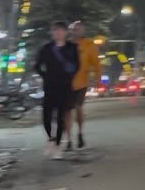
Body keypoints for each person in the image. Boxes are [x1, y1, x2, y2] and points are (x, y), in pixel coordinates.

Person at [35, 22, 79, 158]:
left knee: (60, 116)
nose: (58, 33)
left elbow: (77, 65)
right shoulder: (46, 48)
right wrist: (45, 76)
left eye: (61, 31)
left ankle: (58, 146)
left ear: (66, 33)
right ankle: (51, 139)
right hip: (49, 86)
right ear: (52, 33)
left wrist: (68, 77)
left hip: (65, 87)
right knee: (46, 117)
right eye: (55, 31)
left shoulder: (72, 48)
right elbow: (37, 65)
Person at [67, 20, 100, 151]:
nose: (77, 32)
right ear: (70, 31)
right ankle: (69, 140)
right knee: (66, 112)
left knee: (78, 107)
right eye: (74, 29)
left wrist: (97, 78)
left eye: (79, 29)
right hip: (66, 84)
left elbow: (96, 63)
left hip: (81, 83)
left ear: (83, 31)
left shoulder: (88, 44)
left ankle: (80, 133)